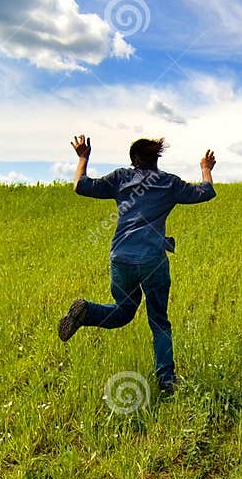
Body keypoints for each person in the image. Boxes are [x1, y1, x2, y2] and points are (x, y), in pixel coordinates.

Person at [58, 134, 217, 393]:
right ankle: (166, 381)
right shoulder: (169, 183)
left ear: (133, 161)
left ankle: (87, 311)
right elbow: (206, 192)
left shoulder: (121, 178)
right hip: (152, 262)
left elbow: (80, 185)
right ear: (157, 159)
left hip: (121, 258)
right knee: (159, 322)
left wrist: (83, 157)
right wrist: (205, 169)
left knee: (123, 311)